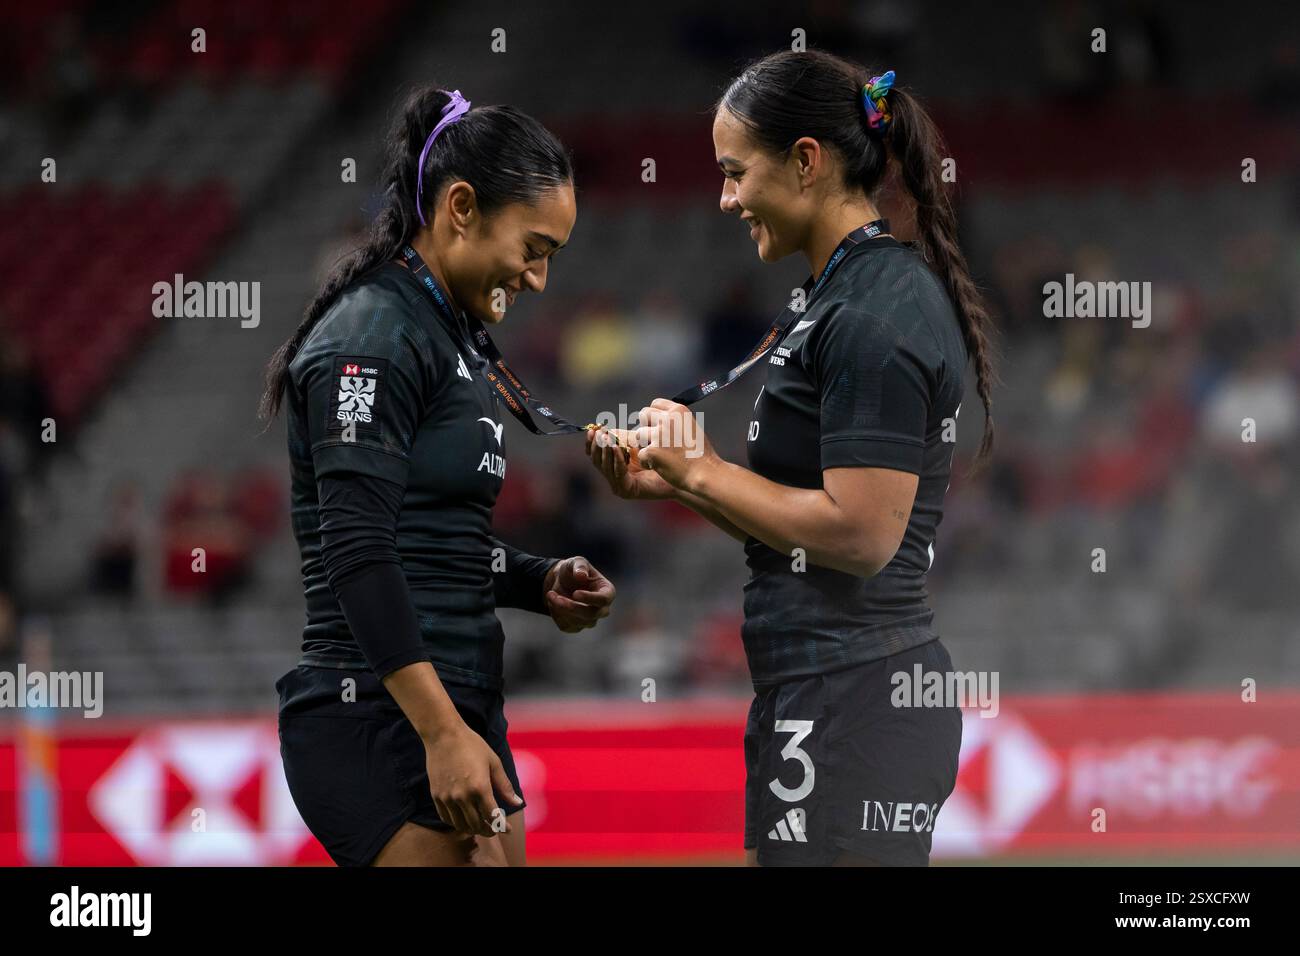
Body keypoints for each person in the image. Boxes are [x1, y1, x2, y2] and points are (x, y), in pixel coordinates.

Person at [587, 51, 995, 866]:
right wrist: (675, 484)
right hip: (823, 692)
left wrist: (703, 472)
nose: (727, 197)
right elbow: (806, 519)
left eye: (737, 172)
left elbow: (861, 536)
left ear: (806, 162)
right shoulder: (836, 297)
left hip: (855, 698)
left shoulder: (875, 310)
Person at [260, 86, 616, 867]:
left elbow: (429, 543)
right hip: (383, 716)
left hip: (459, 702)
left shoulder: (448, 333)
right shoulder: (372, 336)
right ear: (460, 207)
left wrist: (533, 579)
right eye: (534, 248)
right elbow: (357, 549)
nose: (538, 279)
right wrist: (441, 733)